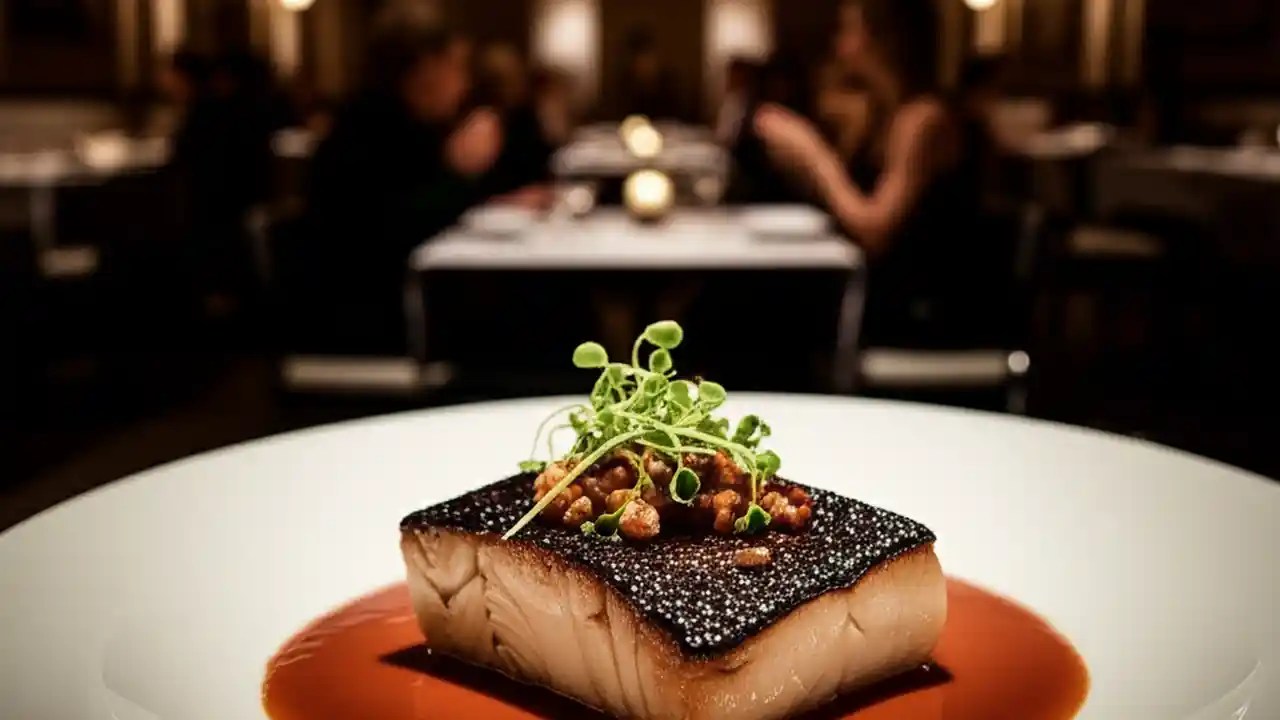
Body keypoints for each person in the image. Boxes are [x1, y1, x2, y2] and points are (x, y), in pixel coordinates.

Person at [753, 0, 1002, 347]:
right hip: (874, 296)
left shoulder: (924, 119)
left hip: (922, 313)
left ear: (887, 39)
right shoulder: (884, 115)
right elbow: (843, 203)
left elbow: (874, 232)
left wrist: (813, 153)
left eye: (850, 30)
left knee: (757, 310)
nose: (840, 46)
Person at [299, 22, 501, 352]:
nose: (466, 83)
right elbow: (389, 232)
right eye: (457, 67)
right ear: (425, 68)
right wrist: (459, 173)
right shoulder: (368, 131)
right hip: (365, 322)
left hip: (397, 303)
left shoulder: (410, 125)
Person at [471, 43, 554, 207]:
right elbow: (471, 192)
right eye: (501, 79)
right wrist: (511, 199)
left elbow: (542, 162)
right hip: (494, 212)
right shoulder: (480, 122)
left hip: (534, 207)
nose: (516, 83)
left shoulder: (524, 114)